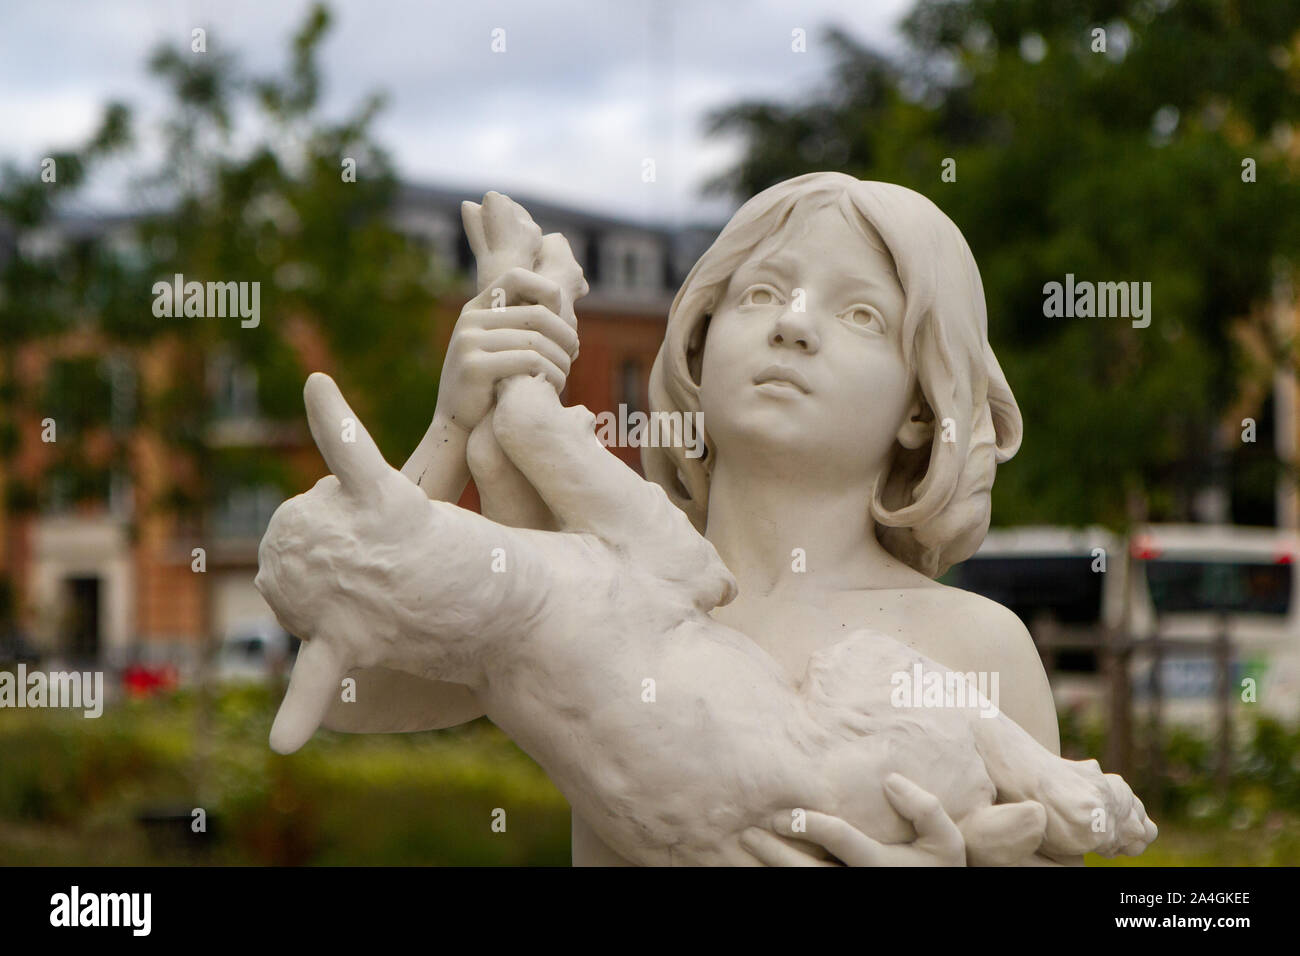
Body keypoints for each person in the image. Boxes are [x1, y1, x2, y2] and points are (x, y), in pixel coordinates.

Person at [289, 174, 1067, 865]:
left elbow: (1055, 841)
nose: (794, 325)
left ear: (923, 410)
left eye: (862, 314)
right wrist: (456, 420)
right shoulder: (590, 583)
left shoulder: (976, 642)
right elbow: (349, 688)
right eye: (762, 293)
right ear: (697, 344)